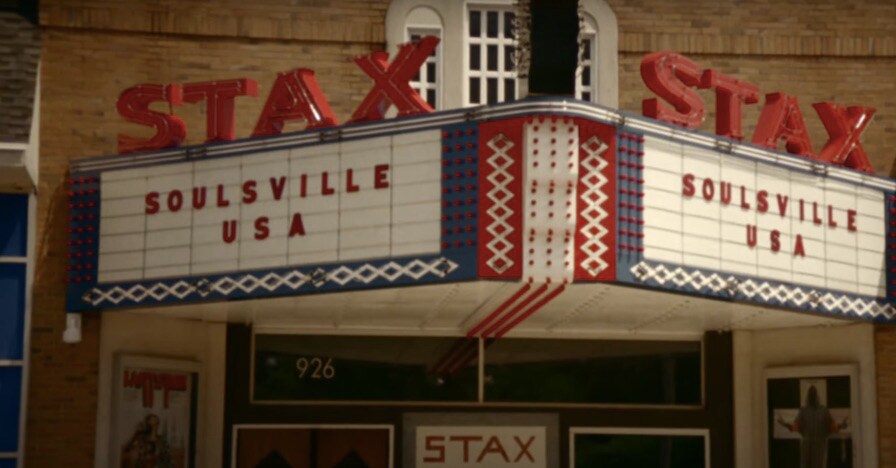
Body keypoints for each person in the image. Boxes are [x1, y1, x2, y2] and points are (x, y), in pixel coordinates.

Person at [777, 385, 849, 468]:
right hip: (807, 446)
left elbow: (832, 427)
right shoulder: (803, 411)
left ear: (816, 396)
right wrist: (785, 424)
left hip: (819, 447)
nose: (812, 396)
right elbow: (795, 427)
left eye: (813, 394)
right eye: (811, 394)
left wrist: (841, 426)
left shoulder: (823, 411)